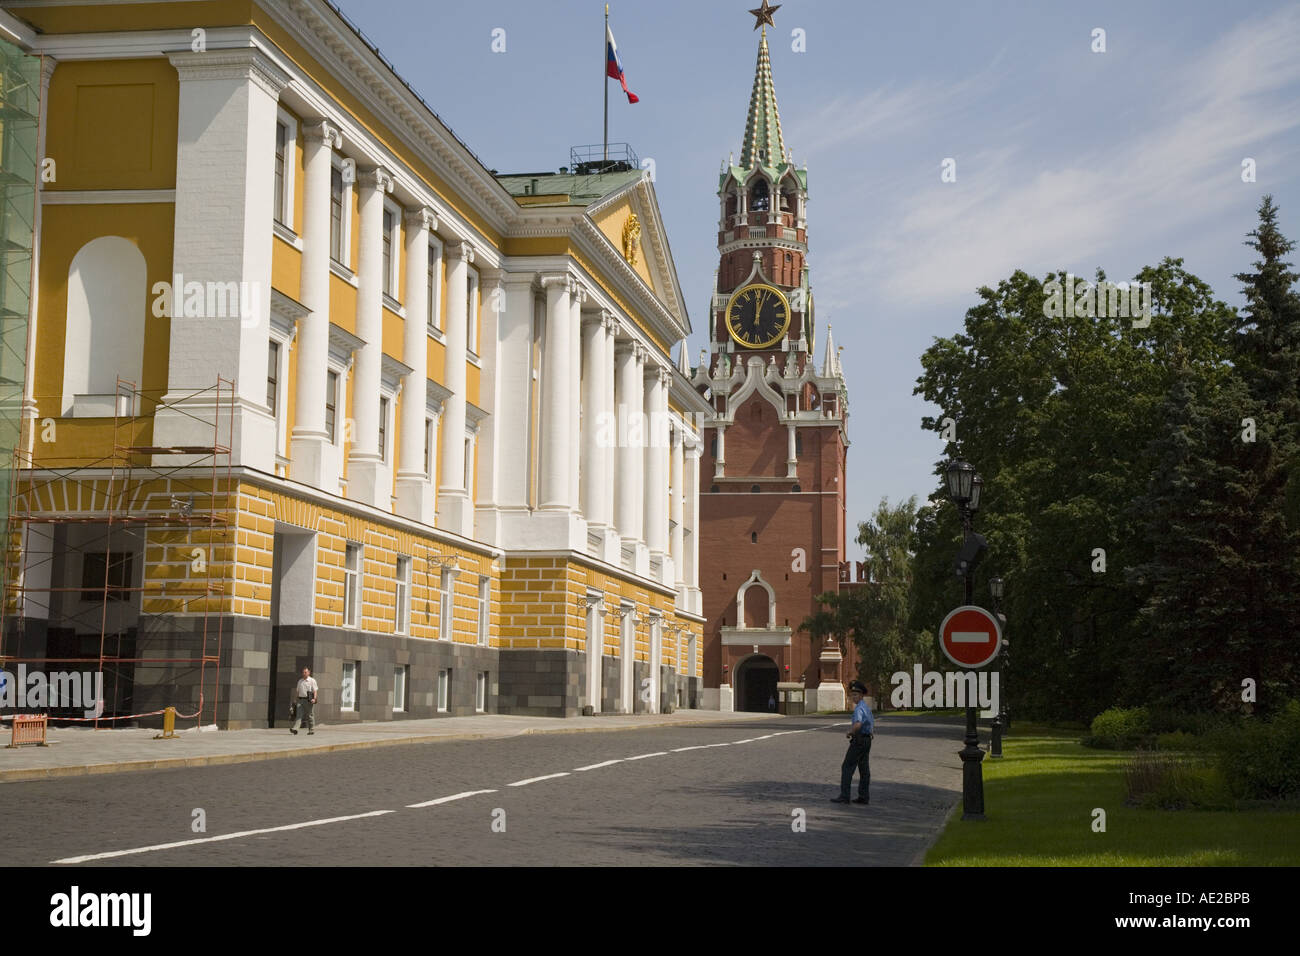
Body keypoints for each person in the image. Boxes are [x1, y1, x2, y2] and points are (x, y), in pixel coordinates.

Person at [831, 679, 873, 805]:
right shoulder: (866, 707)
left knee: (847, 766)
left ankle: (845, 796)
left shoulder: (859, 709)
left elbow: (858, 723)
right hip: (867, 740)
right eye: (852, 694)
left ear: (861, 695)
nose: (853, 697)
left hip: (859, 740)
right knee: (864, 768)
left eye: (856, 694)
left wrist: (850, 732)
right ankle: (864, 796)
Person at [291, 667, 318, 735]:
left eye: (305, 672)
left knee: (310, 715)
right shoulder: (300, 681)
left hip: (308, 700)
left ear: (309, 672)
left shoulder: (312, 680)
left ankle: (311, 730)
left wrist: (314, 699)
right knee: (299, 715)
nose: (304, 673)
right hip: (300, 700)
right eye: (303, 672)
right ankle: (295, 729)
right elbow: (297, 691)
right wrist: (295, 700)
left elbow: (315, 691)